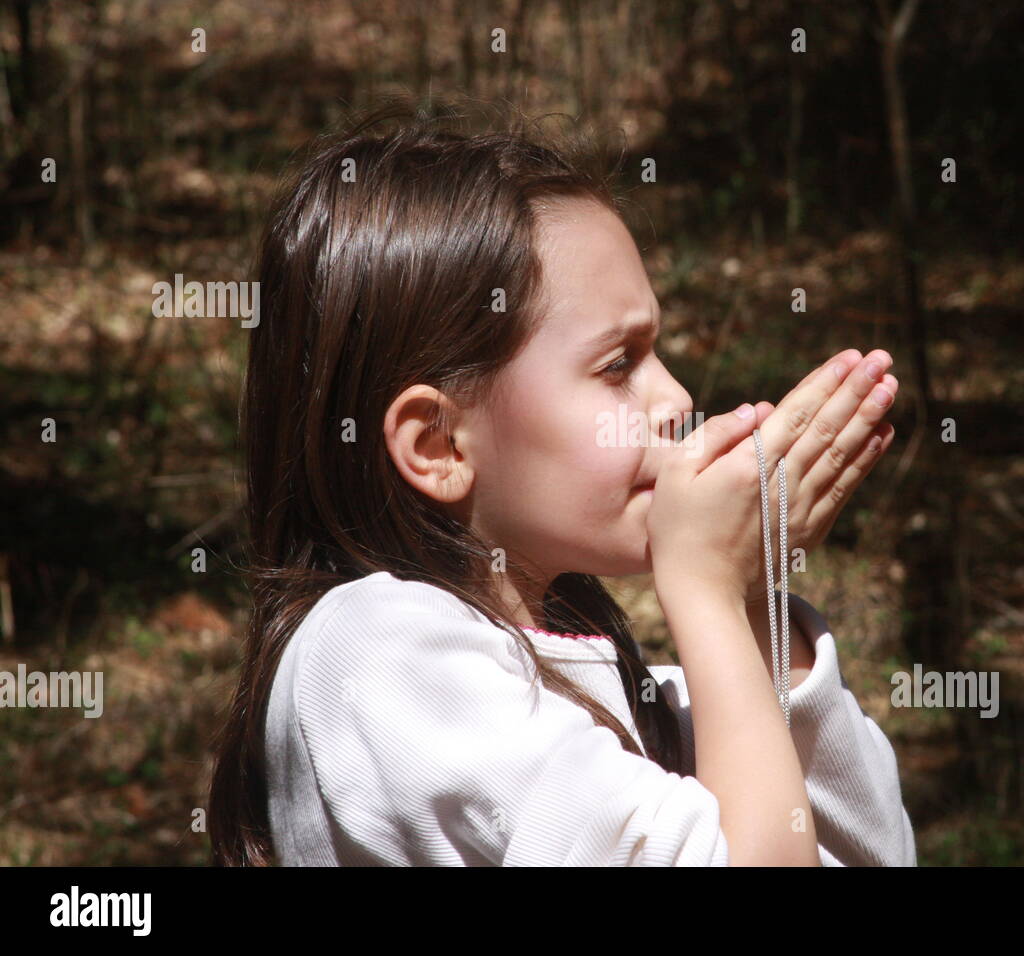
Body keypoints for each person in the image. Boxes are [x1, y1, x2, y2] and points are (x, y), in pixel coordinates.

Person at [208, 96, 914, 866]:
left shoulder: (631, 686)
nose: (677, 400)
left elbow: (860, 854)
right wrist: (708, 591)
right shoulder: (380, 658)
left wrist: (752, 606)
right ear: (439, 444)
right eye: (619, 364)